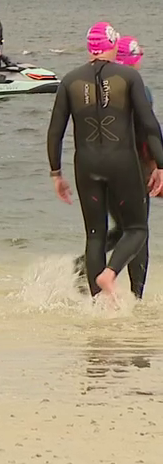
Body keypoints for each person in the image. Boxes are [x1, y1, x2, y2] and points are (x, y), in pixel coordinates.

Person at [50, 23, 163, 304]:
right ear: (113, 45)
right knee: (137, 229)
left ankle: (97, 304)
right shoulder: (129, 78)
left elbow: (55, 131)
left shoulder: (70, 80)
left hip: (85, 166)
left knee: (95, 235)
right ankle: (121, 285)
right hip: (125, 165)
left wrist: (56, 173)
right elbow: (149, 125)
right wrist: (160, 164)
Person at [74, 35, 154, 299]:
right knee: (137, 230)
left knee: (118, 229)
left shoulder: (97, 85)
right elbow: (146, 131)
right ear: (134, 59)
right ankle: (136, 295)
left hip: (97, 167)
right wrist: (155, 166)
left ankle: (85, 267)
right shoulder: (138, 87)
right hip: (133, 167)